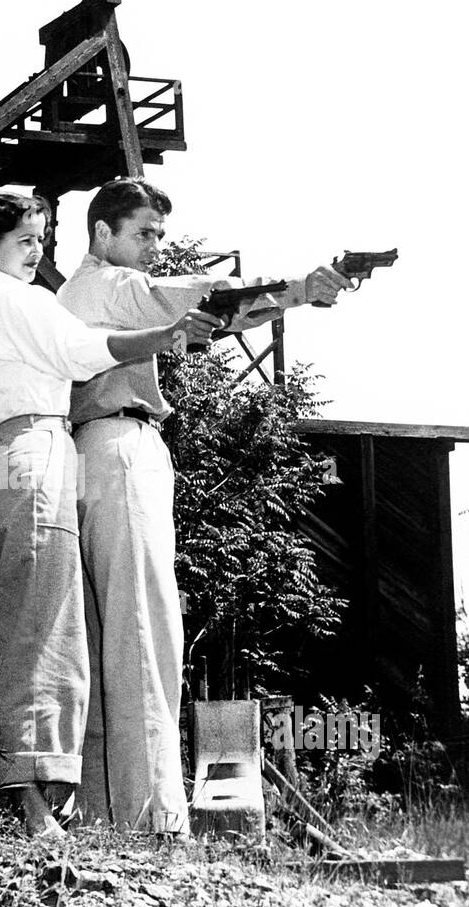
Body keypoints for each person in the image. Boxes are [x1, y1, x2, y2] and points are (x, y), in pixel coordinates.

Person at [58, 178, 350, 839]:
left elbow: (196, 321)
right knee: (143, 627)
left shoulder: (76, 296)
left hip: (89, 451)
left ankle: (112, 815)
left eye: (159, 235)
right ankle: (153, 817)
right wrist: (300, 291)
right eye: (143, 233)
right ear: (103, 234)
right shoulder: (112, 284)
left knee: (109, 632)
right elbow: (209, 303)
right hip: (121, 444)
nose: (154, 248)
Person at [0, 192, 219, 837]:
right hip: (38, 452)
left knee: (23, 621)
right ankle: (34, 805)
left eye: (41, 238)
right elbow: (83, 353)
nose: (37, 250)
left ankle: (37, 791)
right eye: (24, 239)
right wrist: (167, 334)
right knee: (49, 629)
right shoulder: (17, 301)